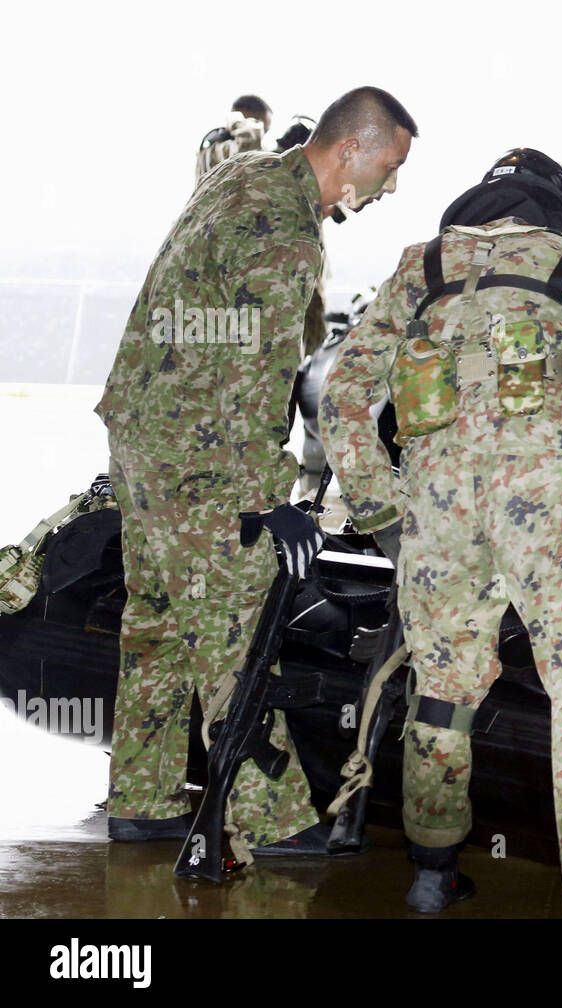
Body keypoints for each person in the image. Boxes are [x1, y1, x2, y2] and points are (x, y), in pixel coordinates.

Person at [319, 149, 562, 919]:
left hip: (434, 502)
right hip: (543, 494)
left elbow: (342, 399)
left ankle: (431, 871)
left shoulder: (415, 268)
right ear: (560, 212)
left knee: (444, 689)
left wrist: (384, 513)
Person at [96, 86, 417, 857]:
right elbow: (253, 376)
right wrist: (268, 503)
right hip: (200, 456)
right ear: (349, 151)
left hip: (145, 437)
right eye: (391, 165)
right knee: (236, 630)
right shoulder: (286, 238)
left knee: (158, 626)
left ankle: (142, 798)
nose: (393, 185)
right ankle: (273, 823)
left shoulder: (241, 178)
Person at [195, 94, 273, 182]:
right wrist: (237, 120)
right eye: (258, 125)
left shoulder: (217, 146)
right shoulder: (220, 147)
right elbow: (248, 152)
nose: (261, 134)